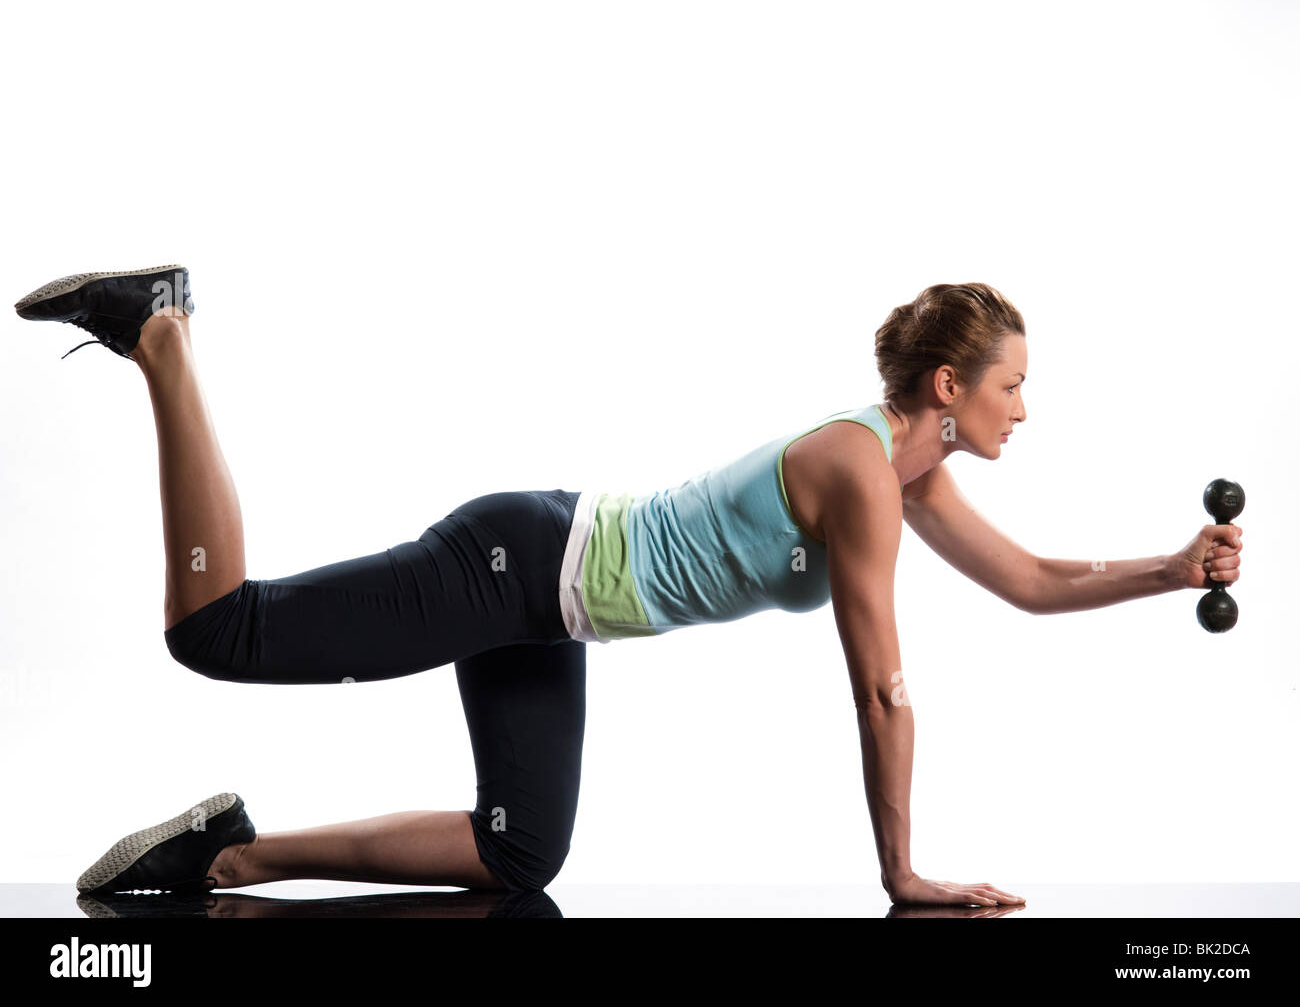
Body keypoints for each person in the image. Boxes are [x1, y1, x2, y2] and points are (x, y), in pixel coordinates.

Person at [15, 270, 1243, 908]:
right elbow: (882, 689)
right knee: (219, 630)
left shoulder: (907, 472)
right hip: (510, 561)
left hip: (547, 598)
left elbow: (1027, 579)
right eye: (1012, 384)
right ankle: (165, 335)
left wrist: (1165, 568)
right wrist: (902, 873)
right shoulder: (864, 472)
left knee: (518, 853)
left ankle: (228, 858)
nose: (1024, 405)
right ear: (943, 384)